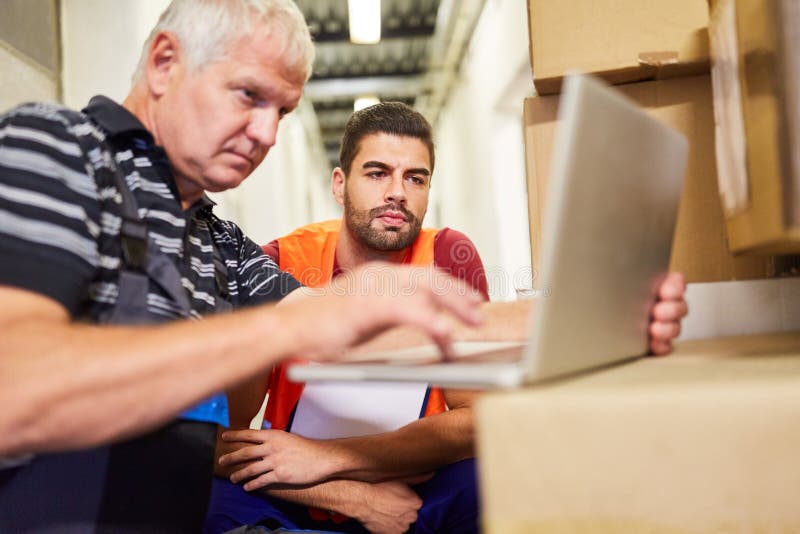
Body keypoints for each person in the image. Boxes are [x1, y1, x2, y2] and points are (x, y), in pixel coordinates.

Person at [0, 2, 482, 532]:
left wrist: (526, 327)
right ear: (164, 63)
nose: (267, 134)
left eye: (282, 112)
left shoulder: (219, 239)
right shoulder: (59, 148)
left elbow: (340, 324)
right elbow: (14, 384)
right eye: (250, 95)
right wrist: (286, 330)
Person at [206, 103, 689, 533]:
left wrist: (334, 458)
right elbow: (222, 442)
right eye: (377, 173)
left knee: (507, 469)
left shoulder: (448, 254)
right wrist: (348, 494)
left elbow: (475, 420)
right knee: (207, 497)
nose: (397, 192)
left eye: (415, 178)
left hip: (416, 487)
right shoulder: (279, 263)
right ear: (339, 184)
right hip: (296, 490)